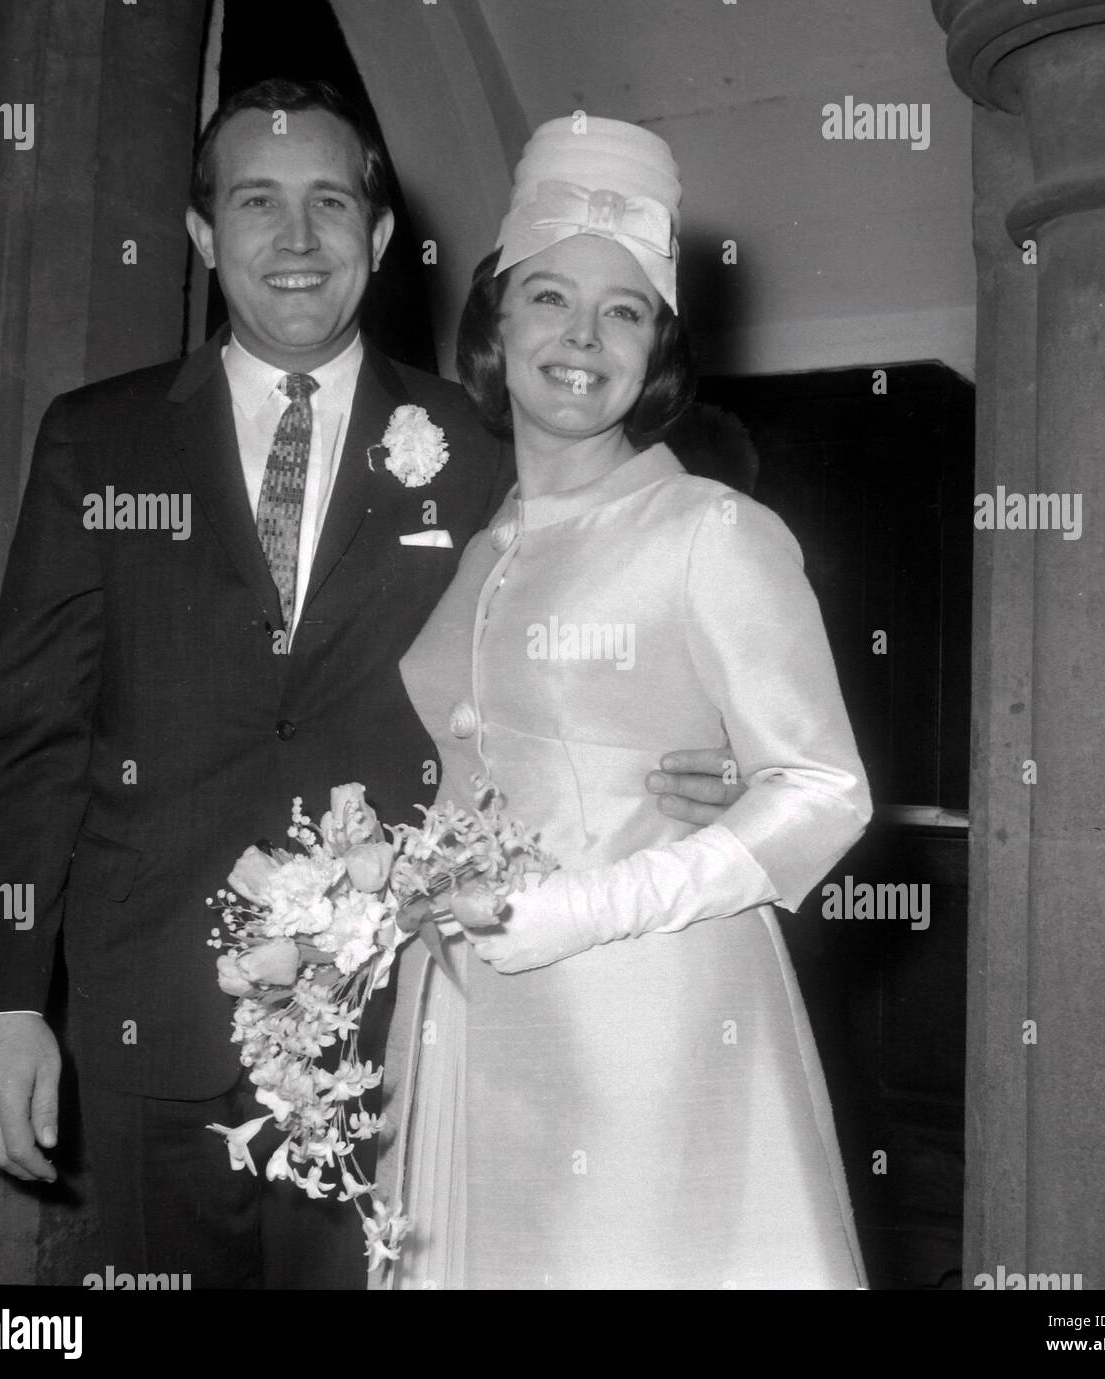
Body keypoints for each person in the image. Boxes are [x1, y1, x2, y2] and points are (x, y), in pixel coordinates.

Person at [0, 80, 729, 1290]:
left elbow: (608, 615)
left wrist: (700, 751)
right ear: (206, 237)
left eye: (330, 203)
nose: (297, 238)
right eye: (258, 203)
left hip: (408, 1013)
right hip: (151, 1004)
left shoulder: (480, 441)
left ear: (375, 238)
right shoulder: (94, 441)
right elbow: (28, 734)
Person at [375, 117, 873, 1291]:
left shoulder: (711, 530)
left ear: (658, 349)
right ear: (495, 321)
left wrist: (591, 904)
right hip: (468, 1020)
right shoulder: (484, 543)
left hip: (645, 1028)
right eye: (548, 296)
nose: (581, 337)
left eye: (624, 309)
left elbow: (822, 789)